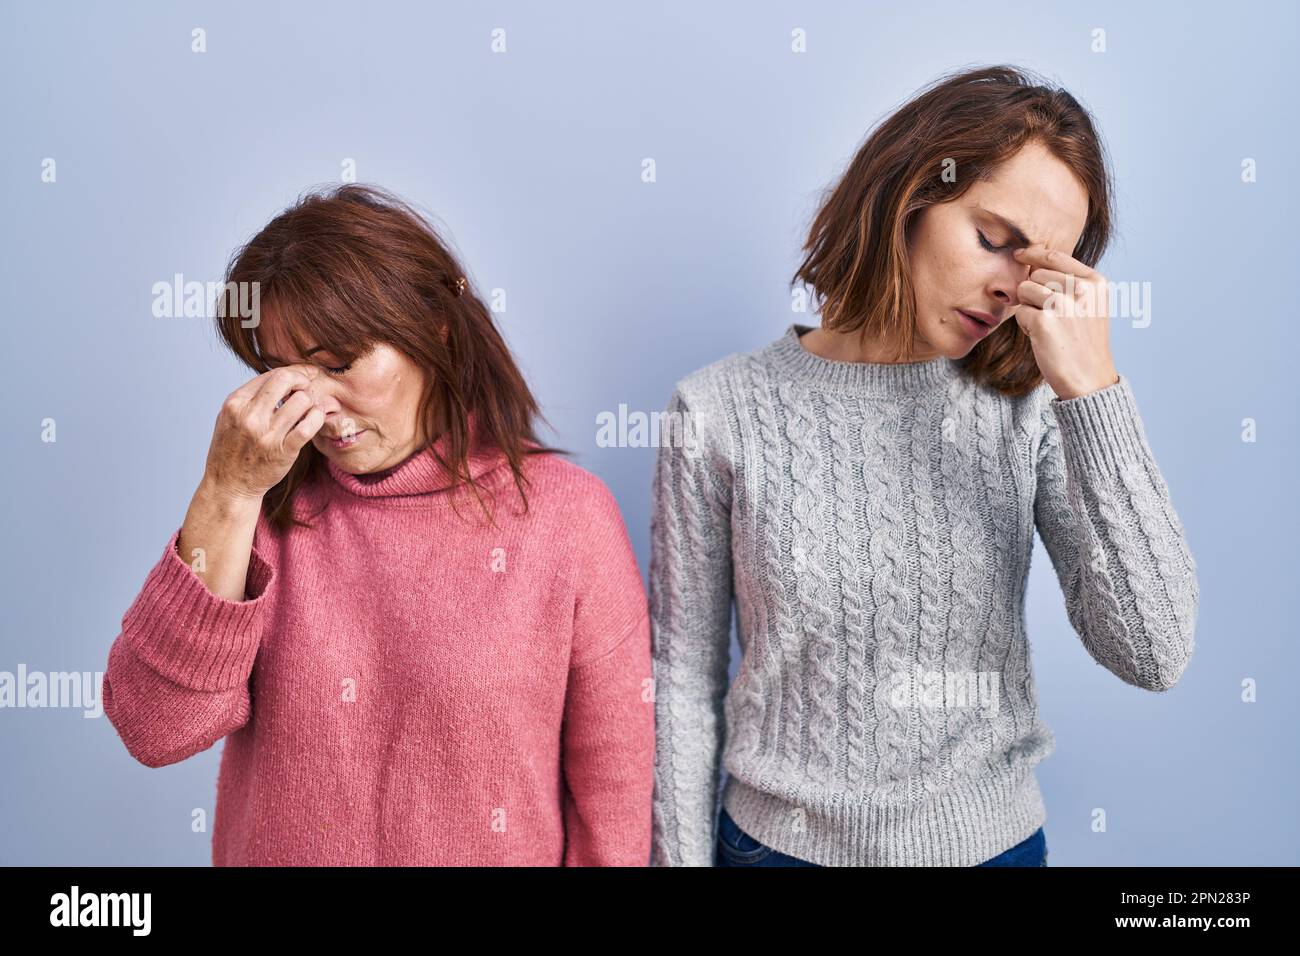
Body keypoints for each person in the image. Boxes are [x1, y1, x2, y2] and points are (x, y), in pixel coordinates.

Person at [648, 65, 1198, 867]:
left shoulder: (1032, 407)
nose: (1010, 286)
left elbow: (1154, 652)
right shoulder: (719, 411)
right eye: (992, 240)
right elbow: (683, 686)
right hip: (772, 851)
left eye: (1040, 268)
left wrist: (1093, 390)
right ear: (905, 197)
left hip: (989, 850)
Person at [103, 183, 653, 866]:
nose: (317, 408)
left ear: (436, 333)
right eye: (281, 372)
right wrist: (226, 491)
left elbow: (616, 797)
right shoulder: (260, 514)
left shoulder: (567, 518)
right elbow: (154, 729)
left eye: (339, 364)